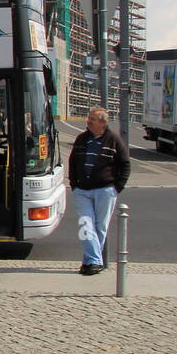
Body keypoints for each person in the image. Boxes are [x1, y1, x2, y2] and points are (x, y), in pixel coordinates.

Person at [67, 106, 130, 275]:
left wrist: (117, 187)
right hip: (82, 190)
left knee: (100, 227)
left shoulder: (113, 140)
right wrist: (74, 184)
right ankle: (95, 261)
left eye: (92, 119)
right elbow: (72, 162)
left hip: (105, 190)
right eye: (88, 118)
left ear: (102, 123)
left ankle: (89, 262)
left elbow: (125, 164)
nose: (88, 121)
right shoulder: (82, 139)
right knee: (86, 224)